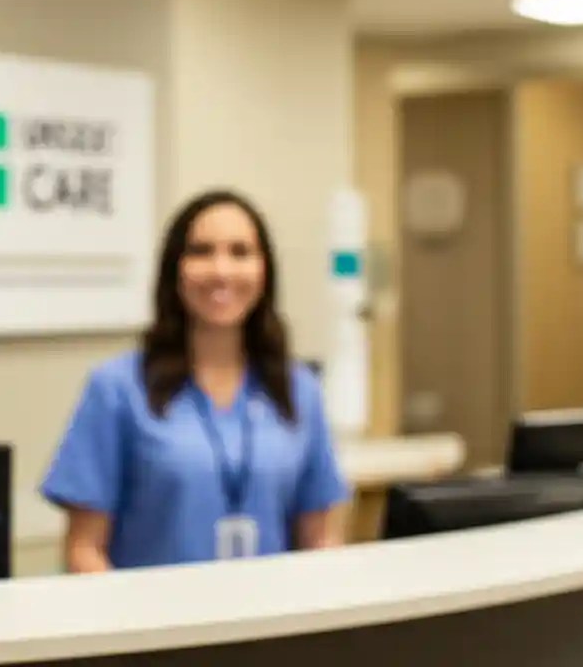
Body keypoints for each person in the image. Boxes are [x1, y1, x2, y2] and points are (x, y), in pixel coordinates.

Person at [39, 189, 350, 572]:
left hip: (275, 625)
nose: (221, 270)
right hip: (157, 626)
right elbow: (84, 550)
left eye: (240, 252)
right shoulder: (117, 389)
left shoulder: (299, 390)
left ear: (264, 270)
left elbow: (318, 540)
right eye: (201, 251)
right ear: (175, 270)